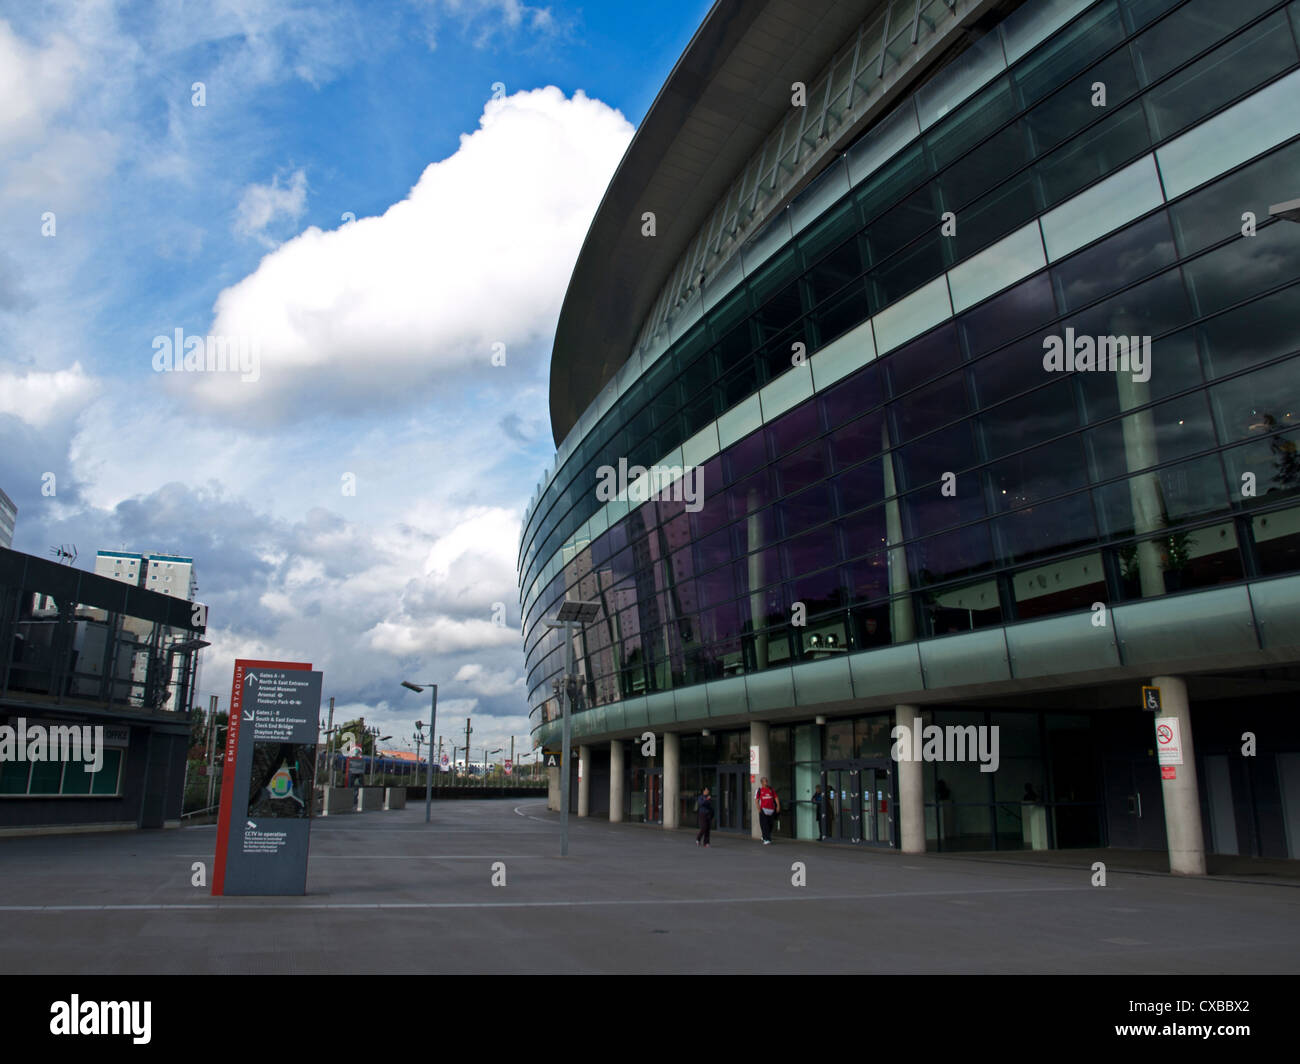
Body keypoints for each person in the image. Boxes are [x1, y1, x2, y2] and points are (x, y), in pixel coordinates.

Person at [755, 776, 780, 844]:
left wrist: (778, 806)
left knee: (771, 824)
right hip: (763, 810)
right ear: (762, 783)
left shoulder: (771, 789)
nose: (766, 782)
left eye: (767, 781)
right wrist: (759, 809)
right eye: (765, 781)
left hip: (771, 810)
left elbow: (776, 798)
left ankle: (765, 836)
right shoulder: (759, 790)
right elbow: (756, 800)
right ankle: (767, 839)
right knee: (764, 825)